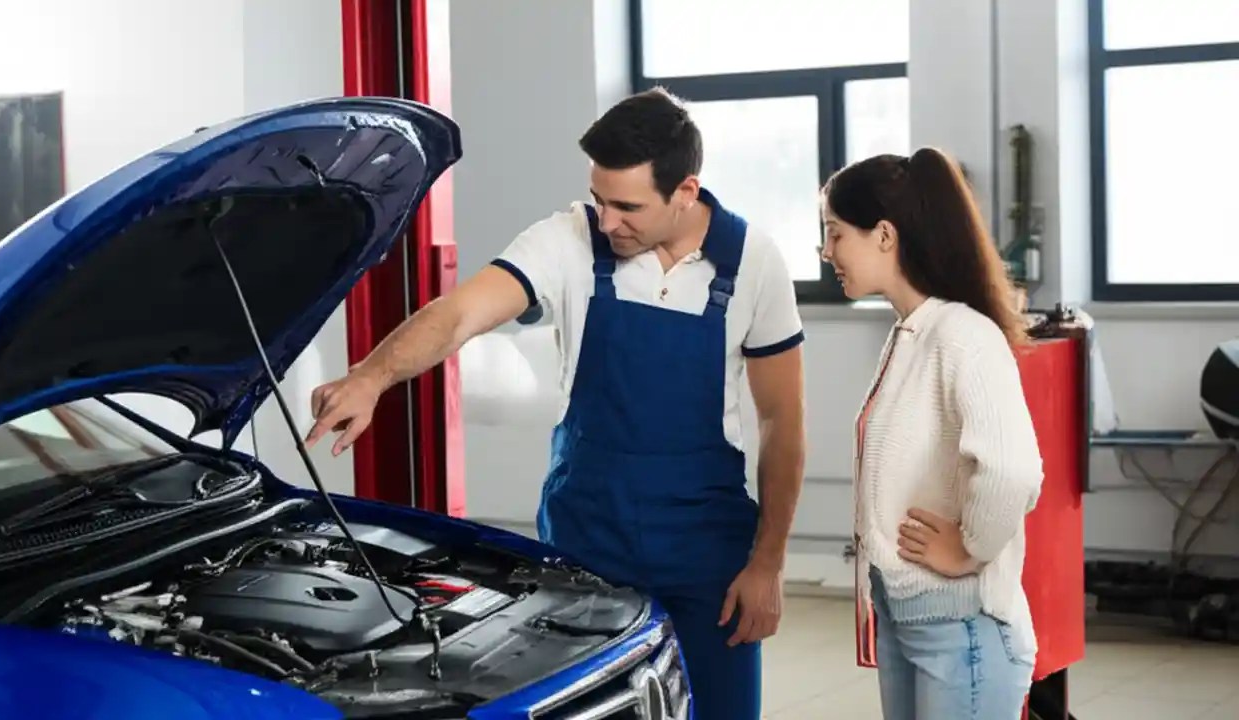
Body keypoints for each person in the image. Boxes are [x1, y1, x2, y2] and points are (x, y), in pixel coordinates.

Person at [304, 88, 806, 719]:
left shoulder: (753, 262)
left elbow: (782, 421)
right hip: (587, 546)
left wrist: (768, 562)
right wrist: (371, 376)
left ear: (685, 191)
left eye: (628, 207)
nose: (607, 222)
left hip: (707, 554)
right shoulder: (568, 239)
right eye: (599, 199)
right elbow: (460, 314)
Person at [818, 148, 1044, 719]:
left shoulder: (963, 334)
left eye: (835, 233)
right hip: (910, 619)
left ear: (884, 235)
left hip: (962, 630)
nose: (826, 252)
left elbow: (1013, 469)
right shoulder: (912, 332)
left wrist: (971, 550)